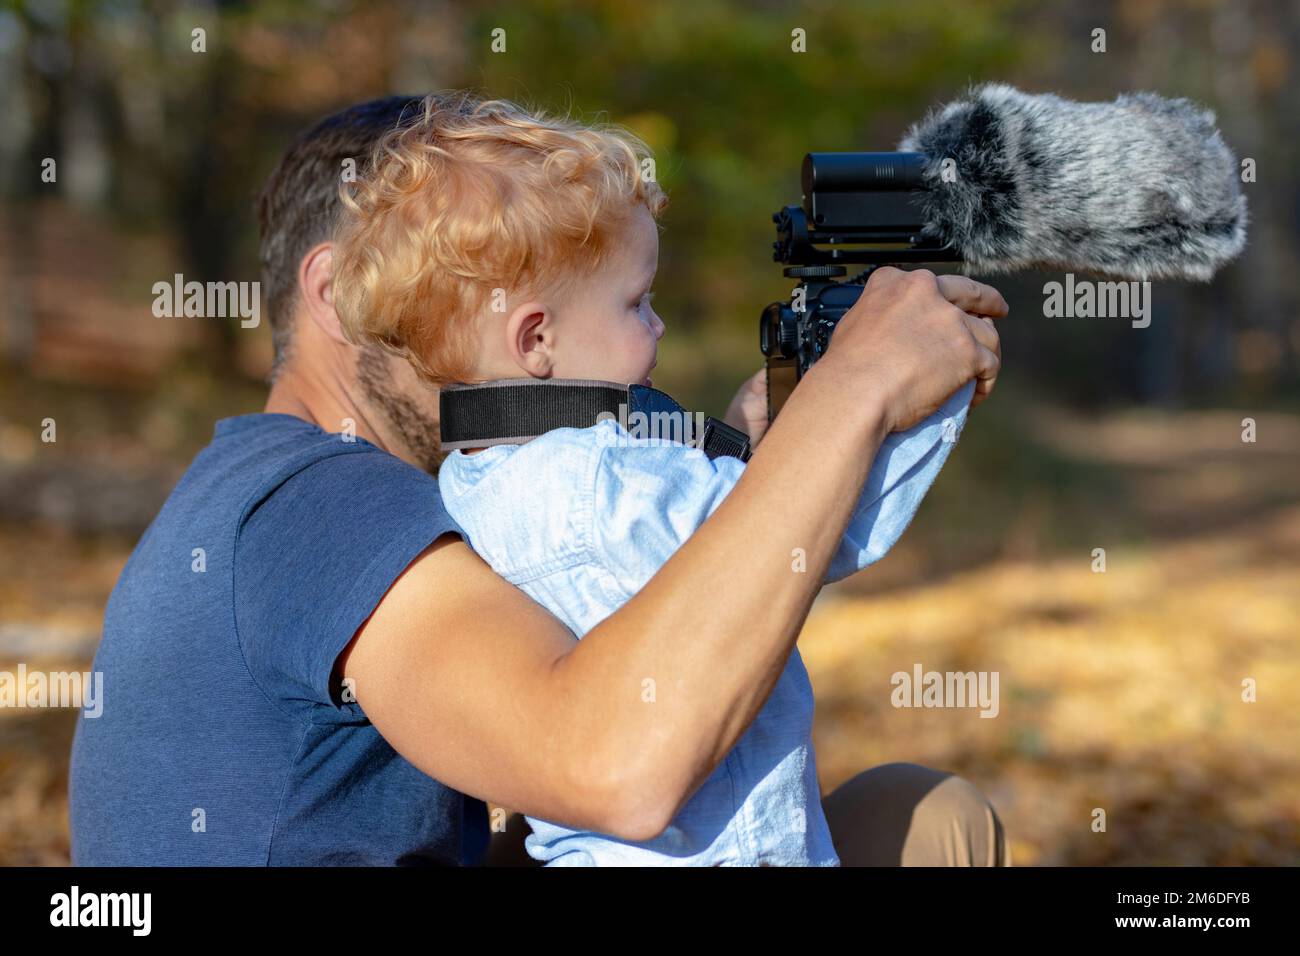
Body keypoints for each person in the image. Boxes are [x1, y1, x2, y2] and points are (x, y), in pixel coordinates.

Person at [68, 93, 1010, 866]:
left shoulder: (273, 490)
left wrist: (762, 452)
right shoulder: (322, 501)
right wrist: (854, 392)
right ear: (333, 296)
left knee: (917, 818)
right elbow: (620, 767)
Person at [331, 93, 984, 866]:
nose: (659, 324)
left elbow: (697, 551)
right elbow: (808, 537)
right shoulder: (602, 482)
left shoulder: (476, 485)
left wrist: (750, 445)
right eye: (635, 302)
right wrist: (913, 385)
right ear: (536, 338)